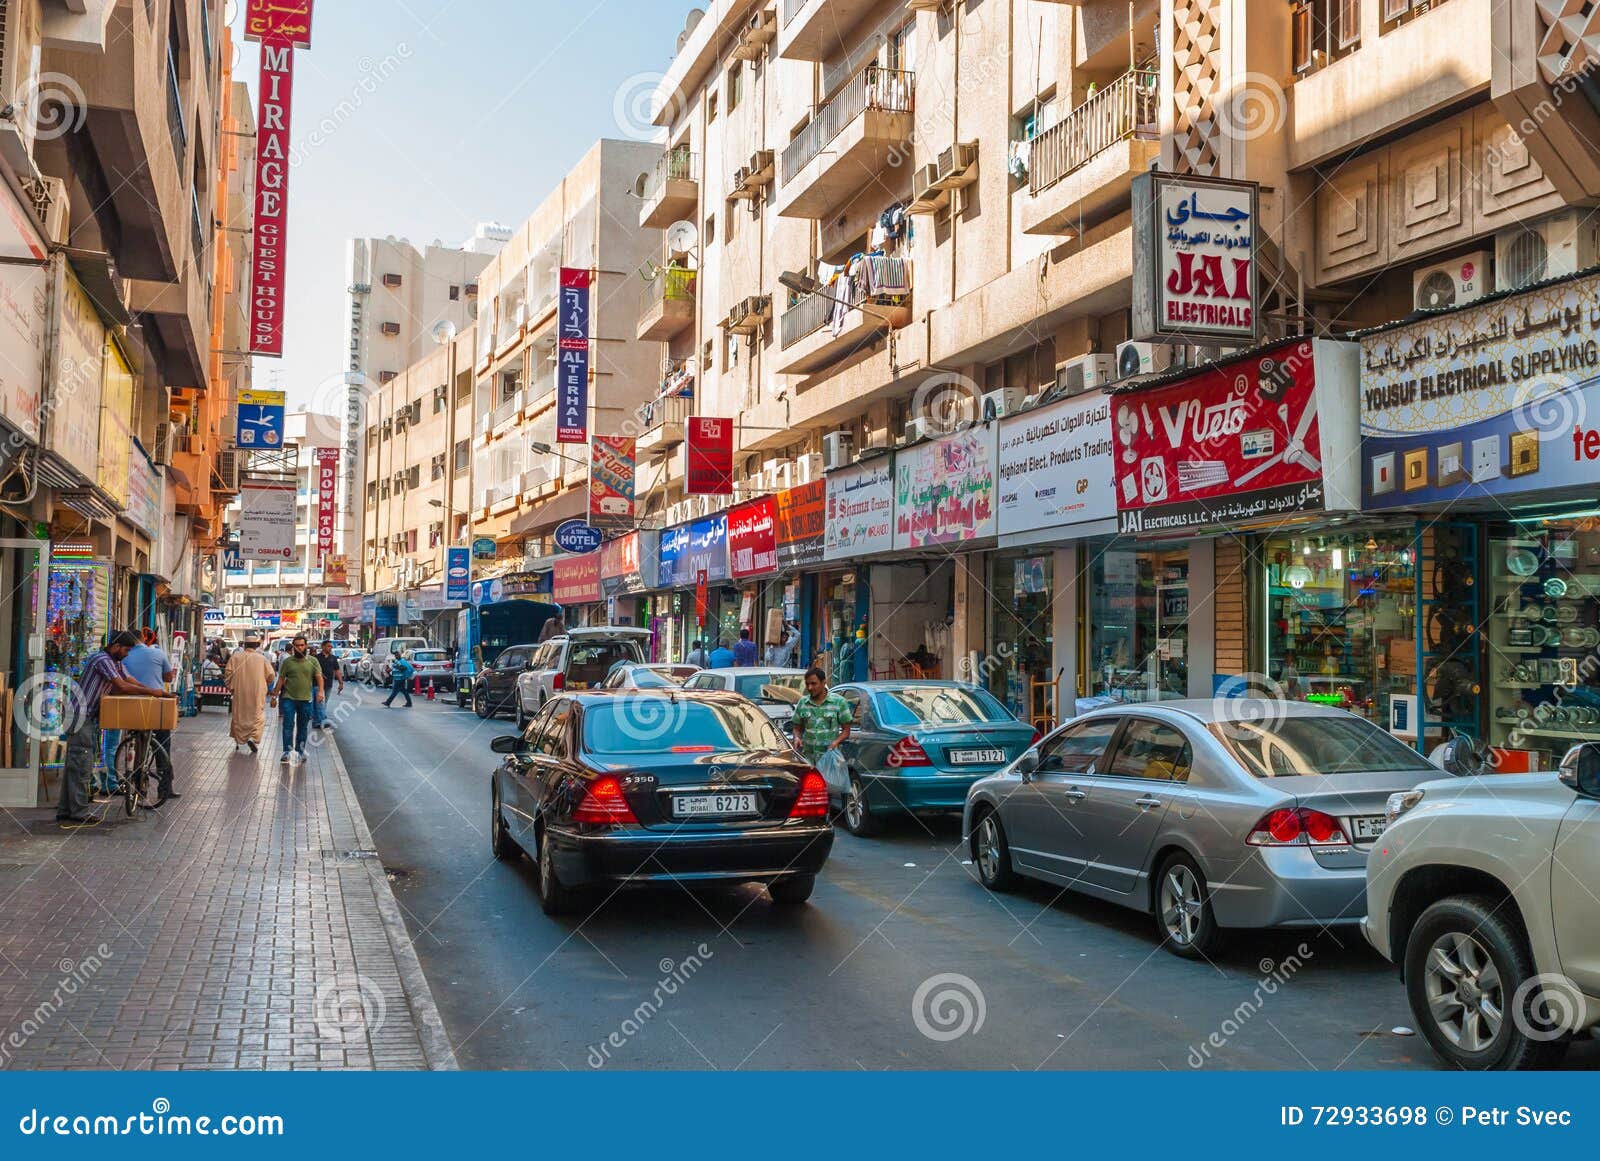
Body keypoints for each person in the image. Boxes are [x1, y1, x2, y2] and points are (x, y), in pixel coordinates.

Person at [57, 631, 174, 826]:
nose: (128, 654)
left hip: (87, 717)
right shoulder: (102, 659)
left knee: (75, 764)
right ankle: (78, 812)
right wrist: (153, 691)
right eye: (126, 649)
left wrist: (152, 693)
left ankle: (66, 810)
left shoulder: (115, 662)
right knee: (81, 765)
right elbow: (122, 687)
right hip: (79, 716)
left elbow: (130, 681)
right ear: (116, 646)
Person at [123, 628, 179, 805]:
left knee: (134, 739)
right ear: (143, 638)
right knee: (162, 745)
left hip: (129, 704)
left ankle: (135, 782)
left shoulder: (122, 656)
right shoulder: (157, 653)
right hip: (155, 704)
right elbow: (169, 677)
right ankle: (165, 788)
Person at [269, 635, 323, 762]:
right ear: (293, 647)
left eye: (302, 645)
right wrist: (274, 696)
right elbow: (281, 680)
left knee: (302, 726)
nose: (299, 647)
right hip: (289, 698)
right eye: (297, 645)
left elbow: (319, 677)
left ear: (306, 646)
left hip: (305, 699)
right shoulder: (288, 662)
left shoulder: (313, 661)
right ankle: (287, 751)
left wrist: (321, 692)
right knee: (288, 724)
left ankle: (300, 751)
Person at [791, 666, 853, 765]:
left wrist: (835, 743)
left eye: (813, 684)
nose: (809, 688)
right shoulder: (803, 702)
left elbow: (846, 731)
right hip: (808, 760)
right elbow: (796, 728)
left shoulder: (839, 702)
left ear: (824, 682)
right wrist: (797, 738)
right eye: (807, 684)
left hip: (829, 759)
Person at [224, 635, 275, 753]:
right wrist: (264, 684)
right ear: (257, 646)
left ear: (244, 645)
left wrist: (232, 687)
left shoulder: (235, 657)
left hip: (240, 691)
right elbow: (271, 676)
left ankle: (239, 740)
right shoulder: (262, 659)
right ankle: (253, 737)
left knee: (239, 715)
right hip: (257, 692)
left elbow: (227, 674)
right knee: (257, 715)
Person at [312, 640, 345, 729]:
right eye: (328, 646)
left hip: (328, 684)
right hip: (317, 684)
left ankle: (316, 722)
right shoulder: (316, 658)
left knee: (323, 704)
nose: (330, 648)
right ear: (323, 647)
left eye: (331, 646)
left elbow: (337, 671)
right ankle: (323, 721)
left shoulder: (333, 658)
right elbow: (311, 670)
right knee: (320, 703)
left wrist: (340, 682)